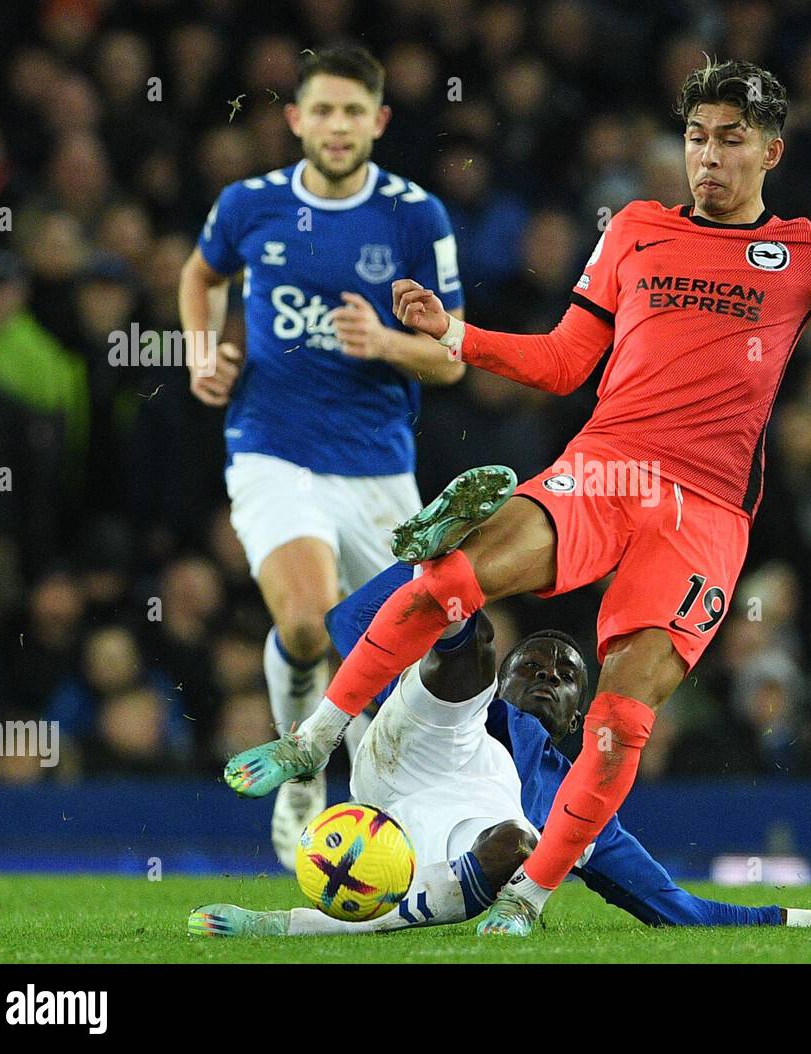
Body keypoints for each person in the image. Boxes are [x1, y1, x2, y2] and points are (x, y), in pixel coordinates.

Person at [226, 57, 811, 936]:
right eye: (697, 138)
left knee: (619, 717)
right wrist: (458, 335)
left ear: (771, 149)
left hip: (706, 513)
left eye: (731, 140)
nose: (709, 158)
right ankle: (312, 739)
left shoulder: (807, 252)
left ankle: (527, 897)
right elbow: (565, 360)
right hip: (608, 467)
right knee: (451, 580)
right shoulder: (635, 231)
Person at [190, 561, 811, 935]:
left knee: (515, 846)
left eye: (565, 675)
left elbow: (676, 909)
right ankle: (445, 576)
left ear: (578, 713)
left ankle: (293, 927)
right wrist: (415, 568)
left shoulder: (579, 803)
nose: (546, 677)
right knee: (459, 641)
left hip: (442, 848)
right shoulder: (487, 705)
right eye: (533, 666)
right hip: (416, 750)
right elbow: (350, 622)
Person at [178, 43, 465, 867]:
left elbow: (449, 356)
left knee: (421, 656)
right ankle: (305, 767)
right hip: (273, 447)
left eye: (353, 112)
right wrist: (204, 353)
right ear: (296, 119)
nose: (337, 126)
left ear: (377, 122)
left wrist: (383, 341)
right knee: (307, 622)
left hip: (379, 463)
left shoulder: (415, 216)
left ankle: (417, 808)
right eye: (322, 110)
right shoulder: (249, 205)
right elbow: (200, 277)